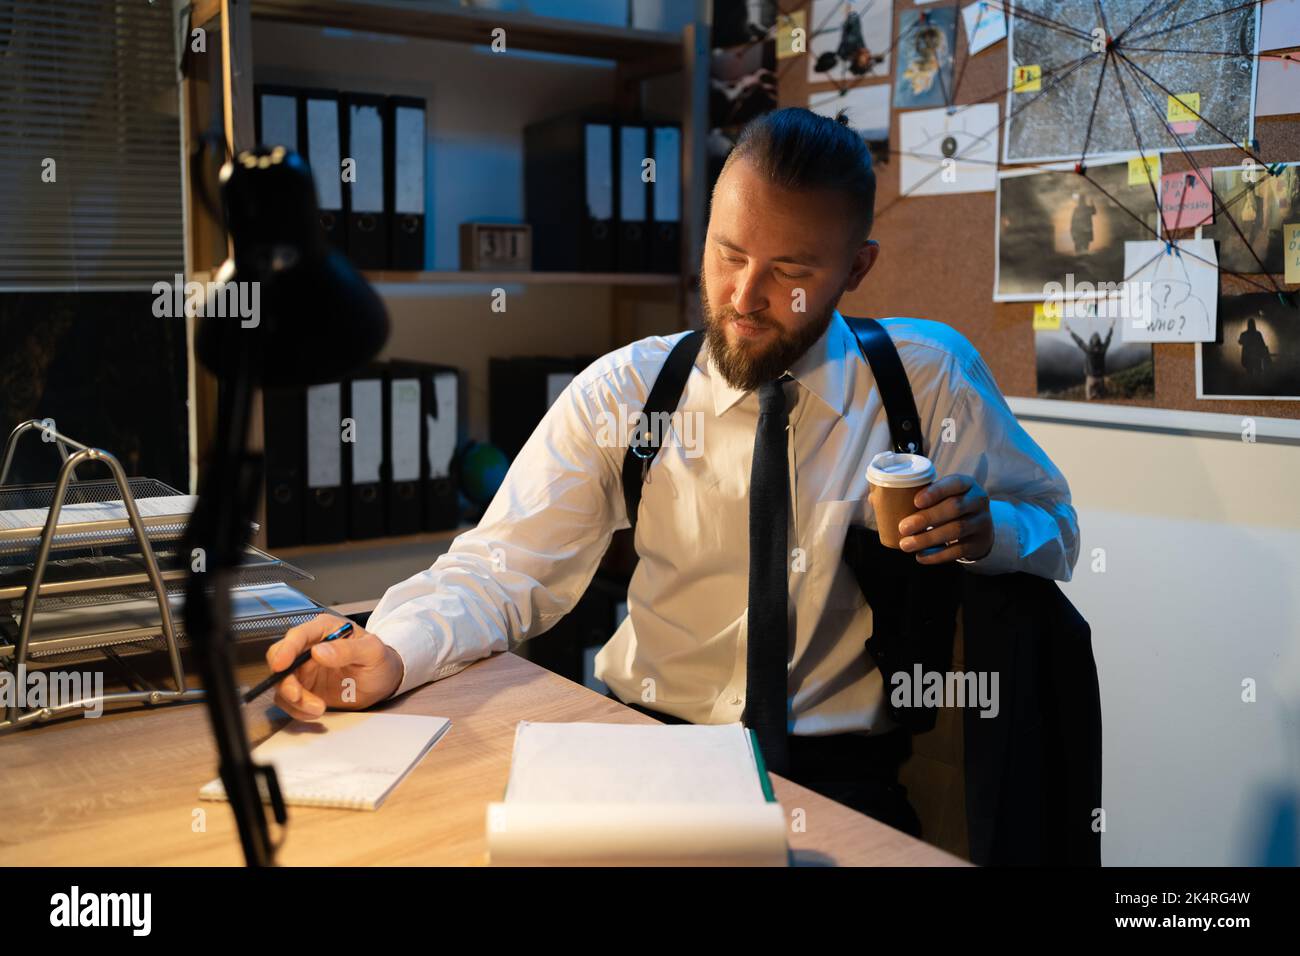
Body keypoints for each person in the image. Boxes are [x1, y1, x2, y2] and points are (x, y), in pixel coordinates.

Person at [264, 108, 1080, 837]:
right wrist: (392, 650)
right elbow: (500, 567)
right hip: (646, 750)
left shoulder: (926, 378)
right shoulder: (628, 392)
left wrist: (991, 529)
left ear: (856, 270)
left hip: (844, 778)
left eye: (791, 272)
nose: (744, 297)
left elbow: (1057, 530)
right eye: (728, 253)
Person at [1067, 320, 1114, 400]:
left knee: (1089, 398)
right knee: (1102, 399)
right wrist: (1111, 327)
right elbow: (1108, 339)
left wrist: (1070, 331)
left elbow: (1079, 342)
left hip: (1091, 378)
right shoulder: (1103, 349)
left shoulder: (1088, 349)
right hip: (1100, 378)